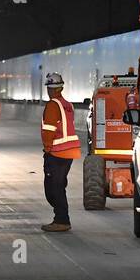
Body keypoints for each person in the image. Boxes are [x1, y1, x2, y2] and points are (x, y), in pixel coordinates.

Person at [40, 72, 81, 232]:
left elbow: (49, 130)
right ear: (61, 87)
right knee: (59, 185)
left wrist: (48, 149)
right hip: (70, 151)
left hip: (57, 152)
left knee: (52, 188)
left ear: (49, 89)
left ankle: (62, 220)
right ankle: (61, 216)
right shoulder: (68, 105)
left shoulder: (52, 105)